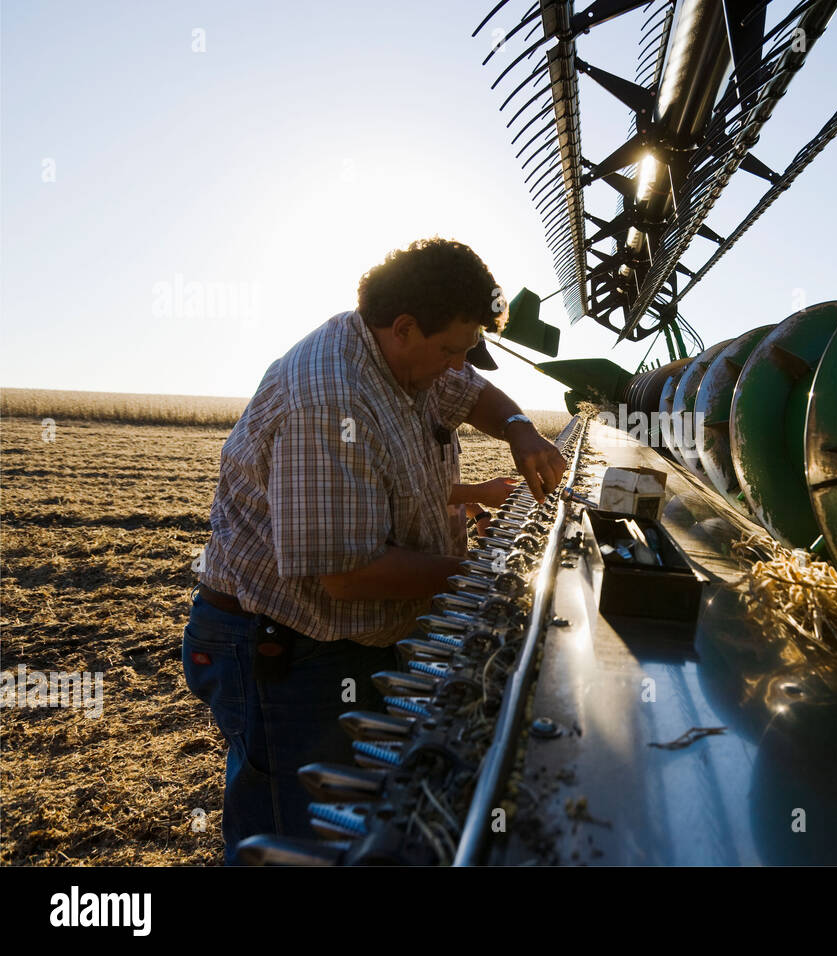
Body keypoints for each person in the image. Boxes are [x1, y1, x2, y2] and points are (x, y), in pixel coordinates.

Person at [182, 237, 566, 864]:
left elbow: (471, 394)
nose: (456, 366)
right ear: (404, 327)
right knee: (302, 835)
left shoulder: (413, 359)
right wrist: (491, 577)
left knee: (363, 823)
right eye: (450, 350)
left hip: (342, 642)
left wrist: (520, 429)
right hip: (284, 648)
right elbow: (345, 572)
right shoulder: (330, 397)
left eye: (465, 352)